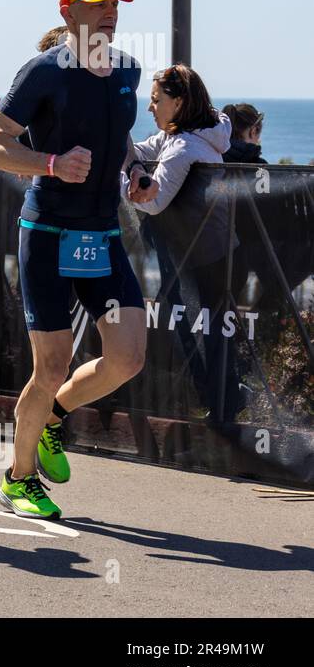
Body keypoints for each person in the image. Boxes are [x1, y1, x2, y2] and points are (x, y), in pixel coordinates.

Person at [0, 0, 157, 519]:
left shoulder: (127, 68)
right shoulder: (43, 71)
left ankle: (52, 417)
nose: (109, 12)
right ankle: (18, 478)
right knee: (51, 363)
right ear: (67, 12)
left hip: (101, 235)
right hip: (49, 235)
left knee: (126, 357)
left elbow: (117, 132)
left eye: (115, 4)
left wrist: (136, 168)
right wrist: (51, 164)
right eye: (96, 4)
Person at [124, 66, 245, 422]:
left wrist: (121, 183)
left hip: (206, 255)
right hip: (212, 250)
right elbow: (144, 150)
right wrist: (120, 144)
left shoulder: (184, 147)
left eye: (156, 101)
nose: (150, 108)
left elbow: (153, 201)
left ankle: (224, 410)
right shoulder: (190, 134)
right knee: (212, 335)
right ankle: (226, 403)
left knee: (209, 336)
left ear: (178, 103)